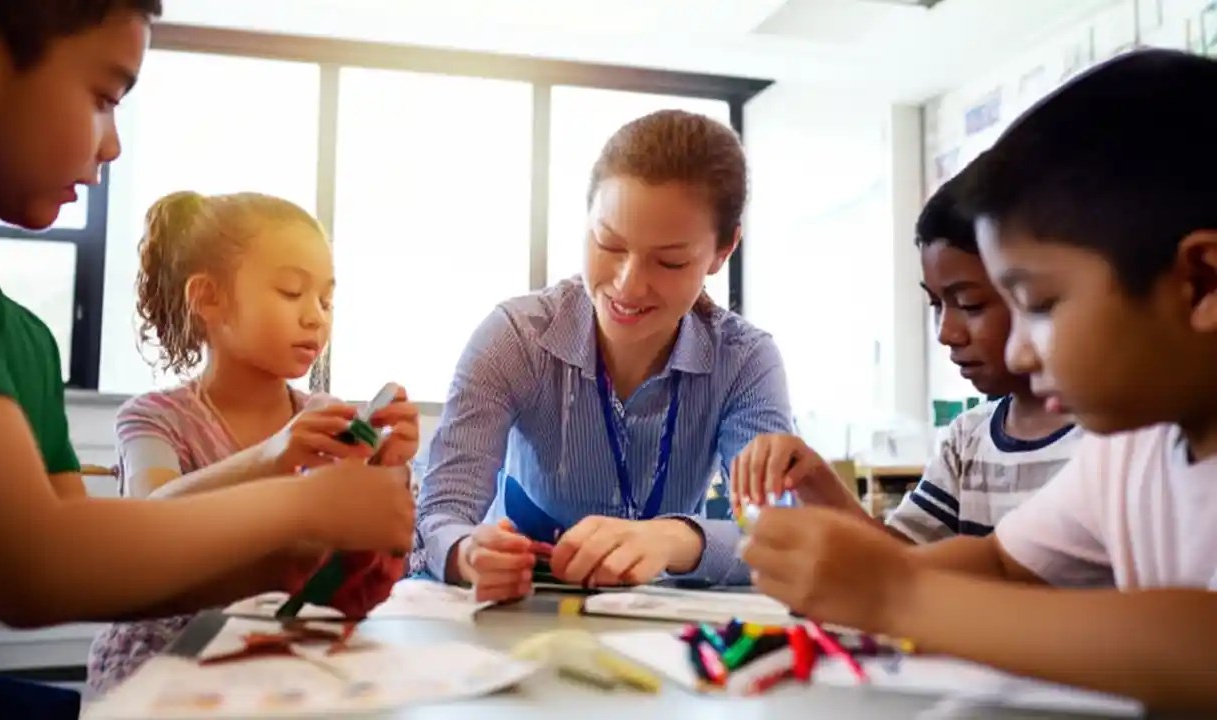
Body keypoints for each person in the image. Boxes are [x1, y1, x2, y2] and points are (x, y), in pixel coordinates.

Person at [0, 3, 412, 715]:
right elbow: (35, 564)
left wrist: (321, 551)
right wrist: (300, 501)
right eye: (103, 97)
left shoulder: (26, 342)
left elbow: (89, 562)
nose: (113, 147)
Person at [740, 49, 1217, 712]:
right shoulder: (1129, 449)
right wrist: (847, 578)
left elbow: (1201, 643)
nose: (1019, 352)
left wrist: (896, 595)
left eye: (1041, 305)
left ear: (1201, 283)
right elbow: (1001, 563)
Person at [415, 110, 794, 601]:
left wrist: (676, 539)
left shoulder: (744, 361)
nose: (627, 284)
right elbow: (440, 513)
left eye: (670, 261)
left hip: (661, 624)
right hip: (516, 610)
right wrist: (468, 553)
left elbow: (783, 537)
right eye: (608, 243)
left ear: (723, 251)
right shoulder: (516, 337)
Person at [86, 191, 419, 694]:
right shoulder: (155, 418)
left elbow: (352, 573)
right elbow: (147, 517)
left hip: (283, 663)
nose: (316, 317)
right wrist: (271, 456)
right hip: (165, 672)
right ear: (208, 299)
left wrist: (386, 476)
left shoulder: (320, 417)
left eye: (326, 300)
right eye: (291, 292)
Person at [731, 172, 1080, 545]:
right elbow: (900, 562)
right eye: (935, 304)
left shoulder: (1108, 442)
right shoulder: (967, 440)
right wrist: (818, 483)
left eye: (969, 304)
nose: (946, 332)